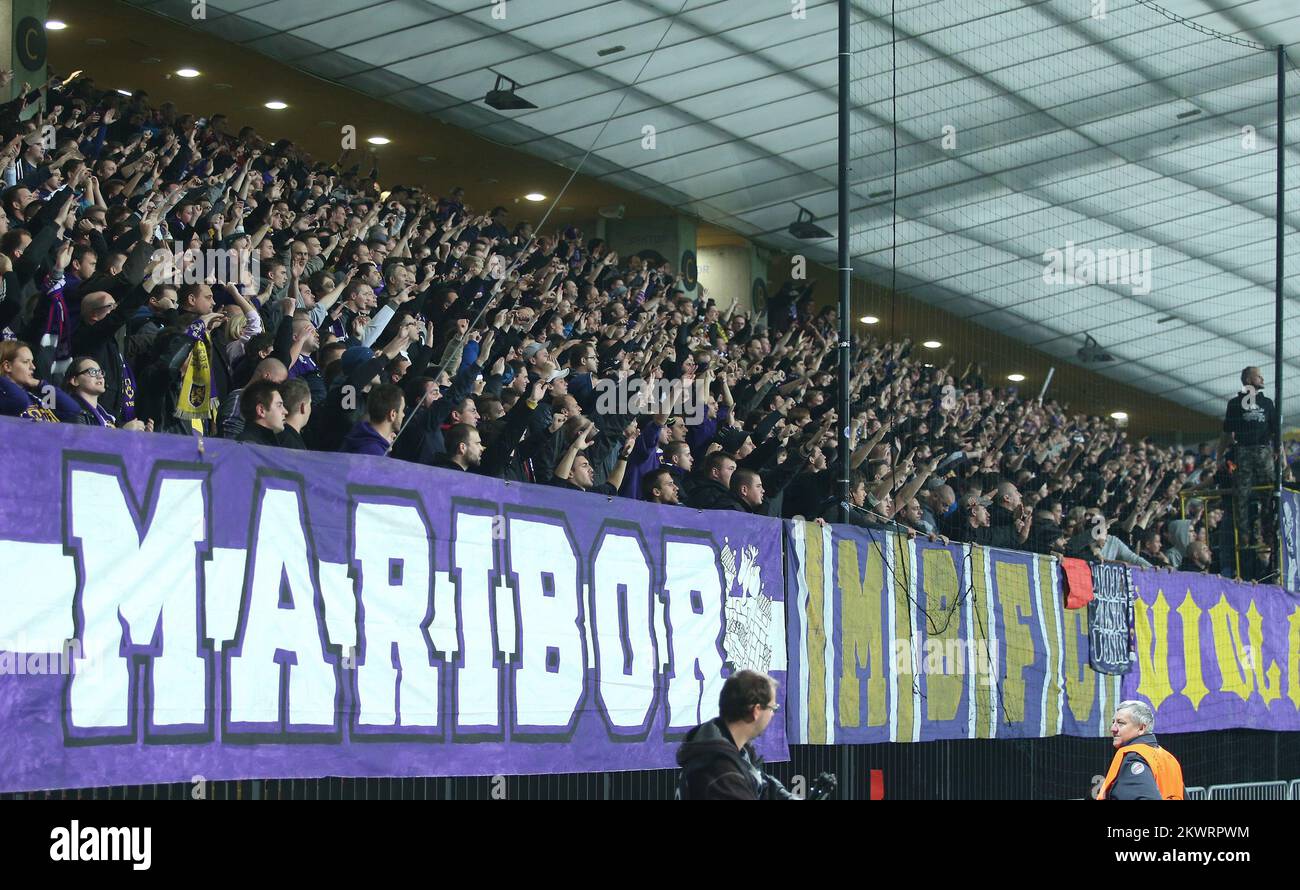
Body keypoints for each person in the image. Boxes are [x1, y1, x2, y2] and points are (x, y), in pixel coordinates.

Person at [675, 670, 793, 801]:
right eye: (773, 708)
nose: (772, 715)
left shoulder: (737, 755)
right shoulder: (722, 772)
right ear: (757, 710)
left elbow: (764, 787)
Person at [1221, 366, 1279, 550]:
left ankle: (1269, 535)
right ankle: (1244, 538)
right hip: (1243, 451)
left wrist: (1280, 456)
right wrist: (1219, 456)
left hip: (1263, 451)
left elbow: (1276, 431)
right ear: (1248, 379)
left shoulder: (1268, 403)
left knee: (1269, 495)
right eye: (1258, 375)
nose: (1262, 378)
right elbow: (1227, 432)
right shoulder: (1234, 403)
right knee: (1241, 496)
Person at [1097, 700, 1185, 800]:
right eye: (1113, 722)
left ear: (1141, 728)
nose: (1113, 728)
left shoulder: (1135, 757)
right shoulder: (1169, 758)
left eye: (1121, 723)